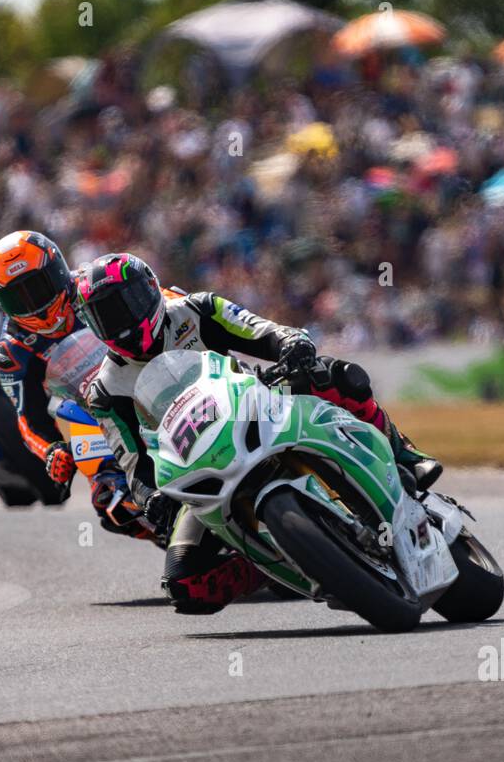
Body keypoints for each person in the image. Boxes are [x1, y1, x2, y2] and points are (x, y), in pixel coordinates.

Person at [73, 252, 441, 615]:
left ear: (151, 289)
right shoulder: (104, 391)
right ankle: (276, 563)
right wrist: (151, 497)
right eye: (105, 316)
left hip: (261, 407)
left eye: (126, 303)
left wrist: (292, 344)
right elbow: (133, 462)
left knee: (334, 374)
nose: (120, 321)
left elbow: (261, 330)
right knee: (186, 586)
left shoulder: (198, 309)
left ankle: (403, 453)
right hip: (198, 466)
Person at [0, 231, 150, 535]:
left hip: (148, 378)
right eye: (15, 296)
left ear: (58, 272)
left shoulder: (96, 284)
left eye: (37, 287)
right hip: (93, 415)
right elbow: (28, 418)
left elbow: (159, 302)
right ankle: (174, 540)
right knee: (109, 501)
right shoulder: (12, 350)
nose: (30, 303)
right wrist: (52, 451)